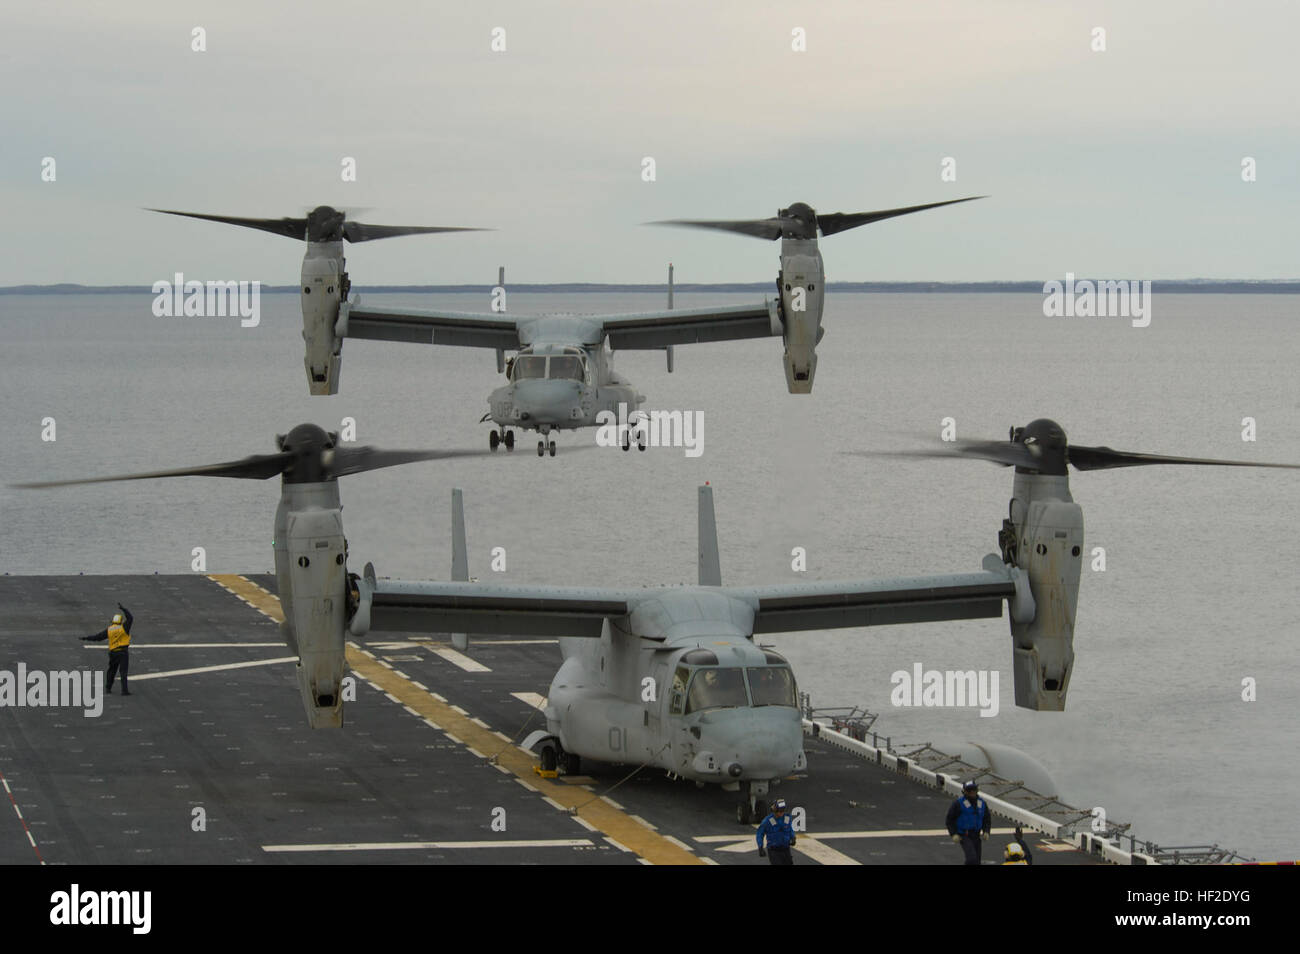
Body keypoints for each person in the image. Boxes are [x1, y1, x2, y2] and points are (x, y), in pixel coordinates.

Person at [81, 603, 133, 695]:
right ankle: (124, 690)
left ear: (113, 621)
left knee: (111, 671)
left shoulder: (110, 629)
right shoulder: (124, 627)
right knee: (123, 672)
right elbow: (130, 618)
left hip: (113, 653)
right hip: (123, 652)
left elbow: (98, 637)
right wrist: (124, 609)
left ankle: (108, 688)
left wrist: (86, 638)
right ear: (121, 621)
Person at [946, 780, 991, 865]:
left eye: (973, 790)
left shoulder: (982, 803)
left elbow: (987, 819)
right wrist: (954, 834)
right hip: (965, 835)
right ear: (965, 792)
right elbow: (949, 820)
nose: (972, 792)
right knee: (971, 858)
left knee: (977, 861)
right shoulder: (958, 803)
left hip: (976, 835)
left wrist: (986, 831)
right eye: (969, 790)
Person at [755, 797, 796, 865]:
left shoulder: (787, 818)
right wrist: (760, 847)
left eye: (783, 811)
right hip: (774, 851)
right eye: (780, 811)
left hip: (785, 849)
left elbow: (790, 829)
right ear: (775, 810)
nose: (781, 813)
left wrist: (793, 838)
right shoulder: (767, 821)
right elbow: (760, 833)